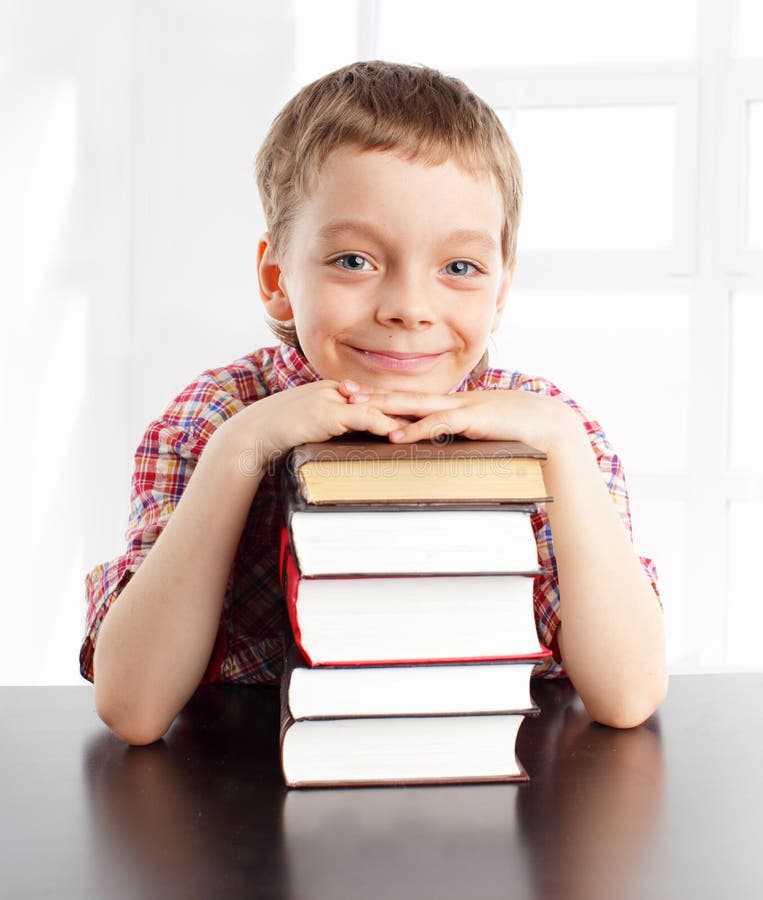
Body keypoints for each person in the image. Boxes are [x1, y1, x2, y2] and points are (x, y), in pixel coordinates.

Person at [82, 61, 667, 745]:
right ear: (277, 280)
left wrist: (564, 451)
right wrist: (240, 453)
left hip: (484, 773)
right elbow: (134, 708)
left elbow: (626, 697)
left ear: (500, 292)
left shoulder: (549, 431)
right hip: (246, 789)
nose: (408, 309)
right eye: (354, 261)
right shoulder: (215, 417)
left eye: (459, 268)